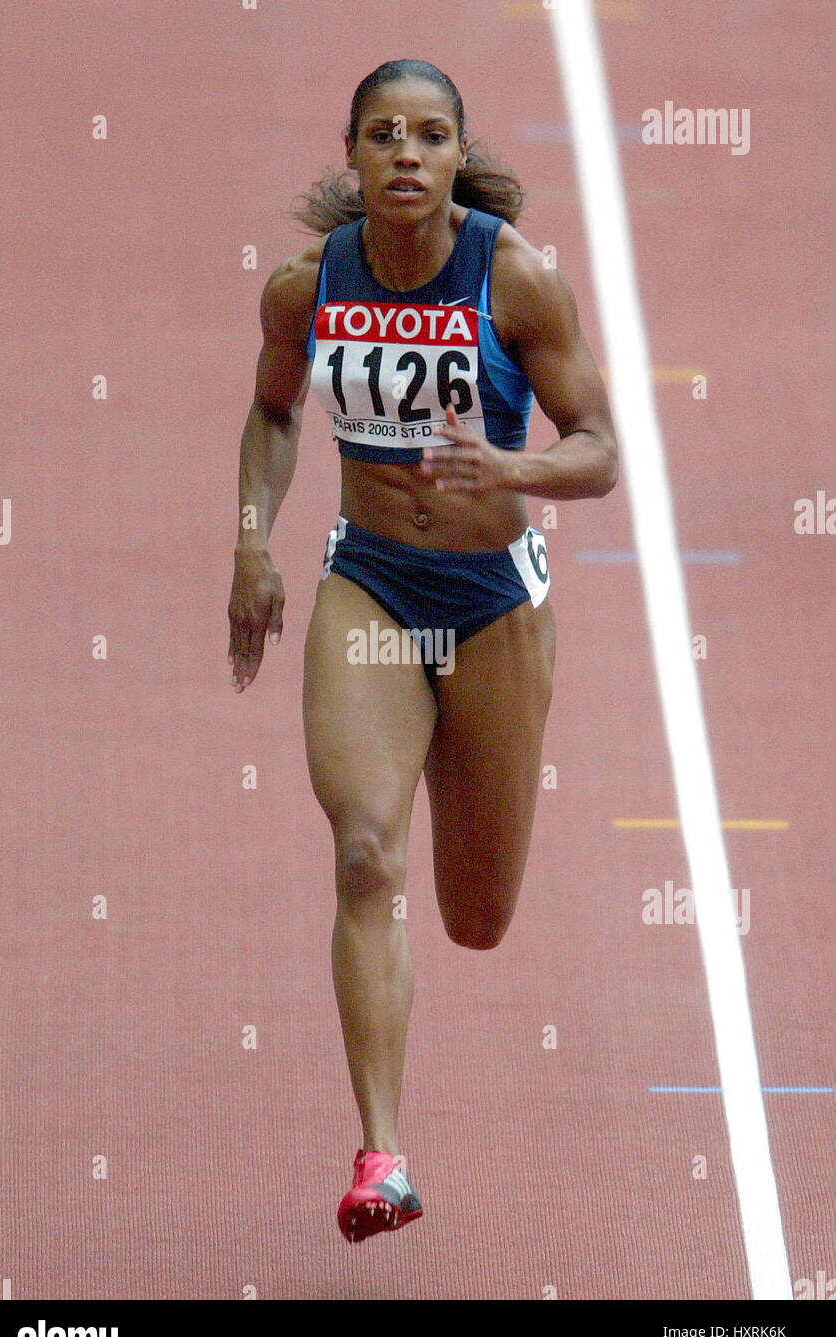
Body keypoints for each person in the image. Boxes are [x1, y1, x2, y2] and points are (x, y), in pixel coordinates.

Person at [227, 59, 618, 1244]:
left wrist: (511, 469)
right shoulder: (306, 287)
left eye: (430, 135)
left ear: (457, 156)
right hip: (373, 588)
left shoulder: (516, 280)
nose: (406, 152)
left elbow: (598, 448)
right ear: (351, 154)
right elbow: (276, 409)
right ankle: (382, 1153)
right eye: (384, 133)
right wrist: (251, 543)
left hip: (495, 599)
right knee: (360, 856)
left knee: (475, 916)